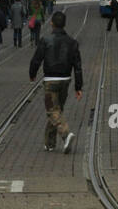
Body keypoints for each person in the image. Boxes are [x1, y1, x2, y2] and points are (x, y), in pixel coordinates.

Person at [29, 10, 83, 152]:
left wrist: (32, 74)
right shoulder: (72, 42)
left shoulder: (46, 40)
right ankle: (49, 143)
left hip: (50, 80)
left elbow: (36, 59)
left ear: (52, 23)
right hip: (66, 80)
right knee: (56, 110)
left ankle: (66, 134)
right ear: (64, 24)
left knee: (52, 111)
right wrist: (78, 87)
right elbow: (78, 66)